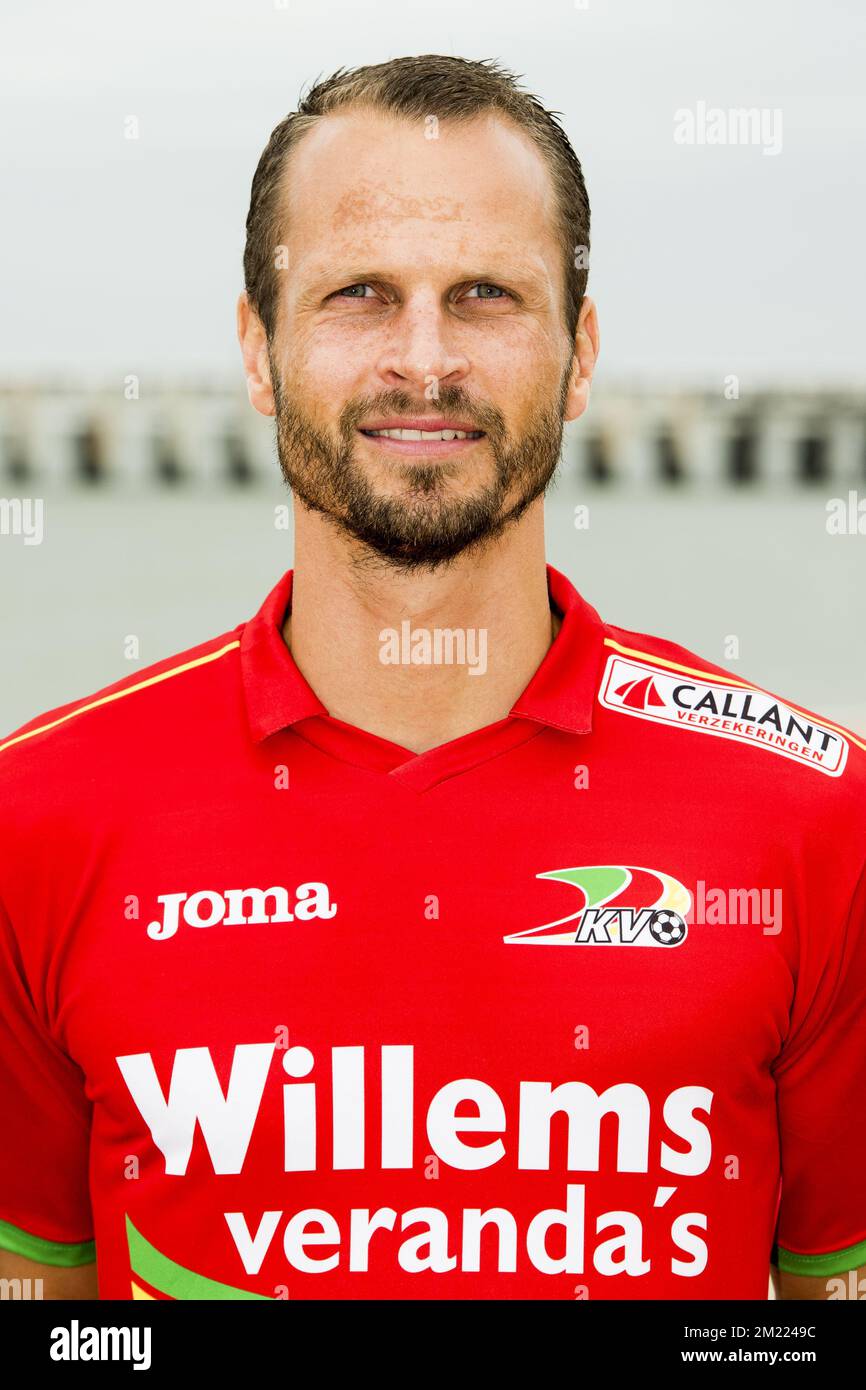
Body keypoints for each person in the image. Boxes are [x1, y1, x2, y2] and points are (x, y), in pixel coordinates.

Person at [1, 55, 864, 1302]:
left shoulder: (814, 819)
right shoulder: (40, 820)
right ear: (258, 350)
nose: (424, 359)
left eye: (484, 296)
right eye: (358, 293)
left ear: (578, 354)